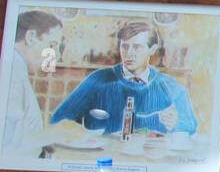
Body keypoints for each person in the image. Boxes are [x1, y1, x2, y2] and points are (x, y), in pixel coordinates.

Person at [51, 21, 198, 136]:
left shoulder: (169, 86)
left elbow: (191, 125)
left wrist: (176, 122)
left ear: (152, 49)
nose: (129, 53)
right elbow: (58, 119)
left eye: (137, 47)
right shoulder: (98, 80)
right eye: (125, 47)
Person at [3, 10, 63, 152]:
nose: (58, 55)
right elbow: (6, 142)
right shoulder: (12, 72)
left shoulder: (17, 67)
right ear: (30, 37)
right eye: (52, 45)